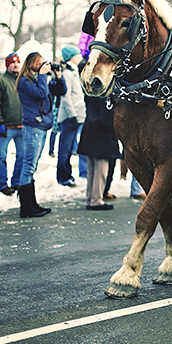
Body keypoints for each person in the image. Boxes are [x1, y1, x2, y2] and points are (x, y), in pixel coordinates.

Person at [16, 51, 67, 218]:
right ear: (31, 64)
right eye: (40, 63)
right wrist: (44, 76)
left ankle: (32, 204)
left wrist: (58, 77)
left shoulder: (40, 79)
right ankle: (26, 207)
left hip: (41, 127)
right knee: (28, 166)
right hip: (33, 127)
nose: (43, 66)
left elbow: (61, 91)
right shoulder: (25, 81)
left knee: (32, 166)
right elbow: (40, 94)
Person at [77, 95, 120, 210]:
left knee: (91, 170)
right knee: (101, 171)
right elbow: (106, 120)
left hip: (90, 133)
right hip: (102, 139)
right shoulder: (107, 98)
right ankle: (96, 200)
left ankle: (90, 198)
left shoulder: (92, 94)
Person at [0, 53, 24, 196]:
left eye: (17, 63)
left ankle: (16, 181)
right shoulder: (1, 82)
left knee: (22, 156)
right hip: (6, 126)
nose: (15, 65)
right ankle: (2, 184)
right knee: (2, 156)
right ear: (7, 65)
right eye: (12, 63)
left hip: (22, 125)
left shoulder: (22, 81)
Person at [56, 45, 86, 187]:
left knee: (69, 148)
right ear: (71, 57)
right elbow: (66, 96)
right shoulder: (68, 74)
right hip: (69, 117)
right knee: (65, 148)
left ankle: (67, 175)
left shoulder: (74, 71)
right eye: (77, 54)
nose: (79, 56)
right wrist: (73, 116)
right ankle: (63, 176)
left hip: (77, 116)